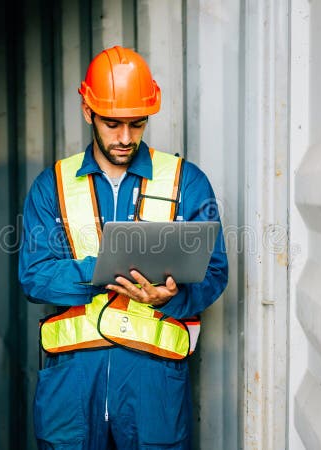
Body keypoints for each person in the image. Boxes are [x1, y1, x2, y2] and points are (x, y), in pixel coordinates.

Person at [18, 45, 228, 450]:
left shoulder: (187, 181)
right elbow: (34, 276)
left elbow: (215, 272)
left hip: (153, 388)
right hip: (73, 386)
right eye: (113, 124)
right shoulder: (53, 185)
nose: (125, 138)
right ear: (87, 111)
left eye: (137, 124)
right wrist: (104, 272)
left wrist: (172, 296)